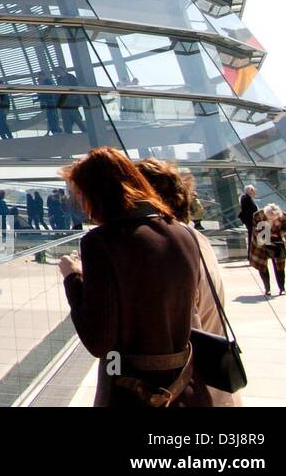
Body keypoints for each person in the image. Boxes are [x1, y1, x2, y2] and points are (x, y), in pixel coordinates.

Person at [58, 147, 212, 407]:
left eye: (82, 194)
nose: (81, 203)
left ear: (98, 194)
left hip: (131, 391)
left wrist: (73, 279)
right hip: (184, 388)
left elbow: (99, 341)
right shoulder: (183, 233)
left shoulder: (101, 242)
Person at [137, 157, 240, 406]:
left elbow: (180, 337)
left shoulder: (171, 249)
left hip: (195, 394)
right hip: (218, 389)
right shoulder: (194, 238)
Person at [250, 203, 286, 297]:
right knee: (262, 265)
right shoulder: (257, 216)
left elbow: (285, 228)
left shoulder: (283, 216)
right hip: (261, 242)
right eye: (270, 218)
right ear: (266, 214)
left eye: (274, 218)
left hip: (277, 242)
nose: (272, 220)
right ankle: (267, 289)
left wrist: (278, 234)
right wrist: (267, 239)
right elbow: (256, 231)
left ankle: (282, 288)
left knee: (280, 265)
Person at [238, 184, 259, 249]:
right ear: (249, 191)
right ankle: (251, 248)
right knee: (251, 233)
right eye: (252, 190)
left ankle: (253, 247)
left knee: (252, 234)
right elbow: (247, 210)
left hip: (251, 219)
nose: (254, 192)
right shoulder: (245, 198)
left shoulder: (248, 198)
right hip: (249, 220)